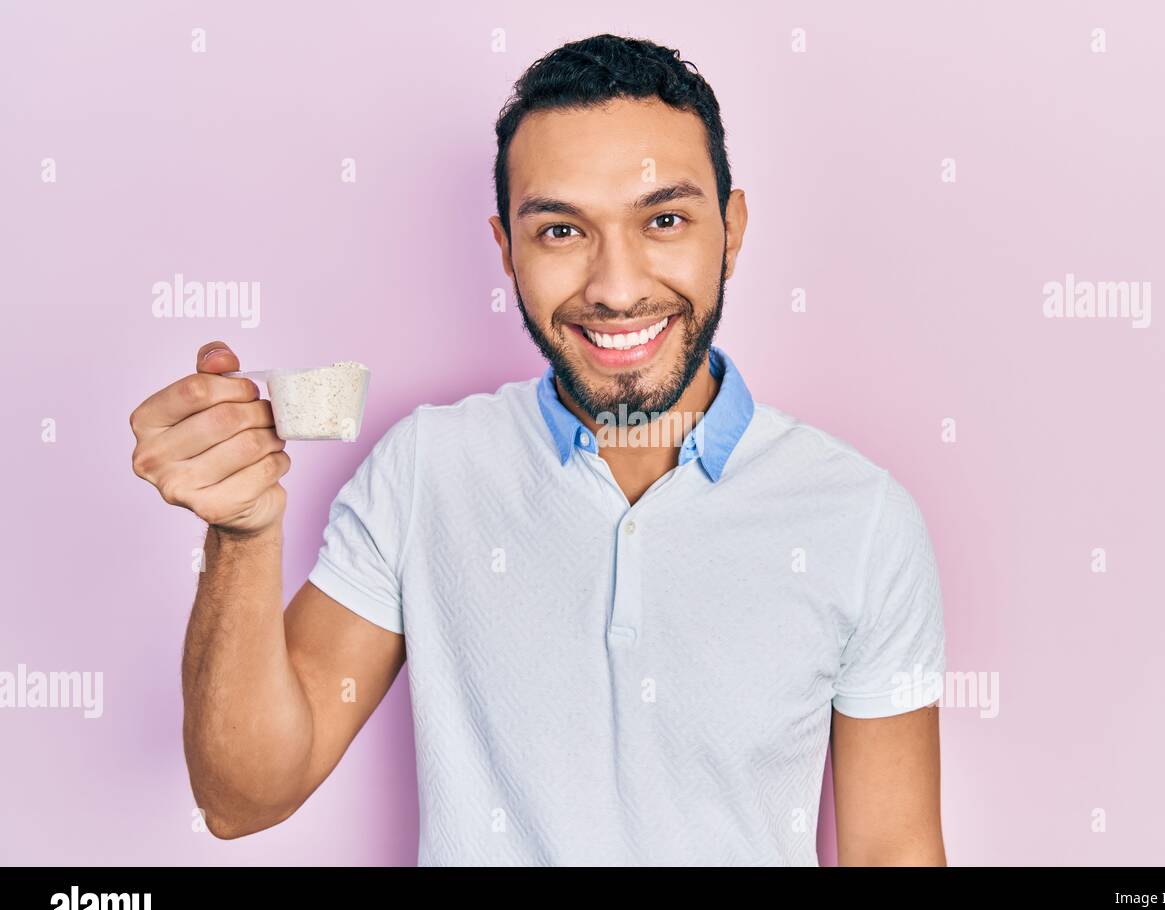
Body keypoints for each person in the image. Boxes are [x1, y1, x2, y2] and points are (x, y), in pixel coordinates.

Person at [128, 34, 948, 866]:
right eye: (561, 231)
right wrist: (241, 534)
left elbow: (895, 852)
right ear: (506, 251)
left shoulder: (860, 518)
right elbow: (242, 797)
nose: (617, 288)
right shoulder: (425, 473)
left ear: (731, 231)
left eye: (664, 220)